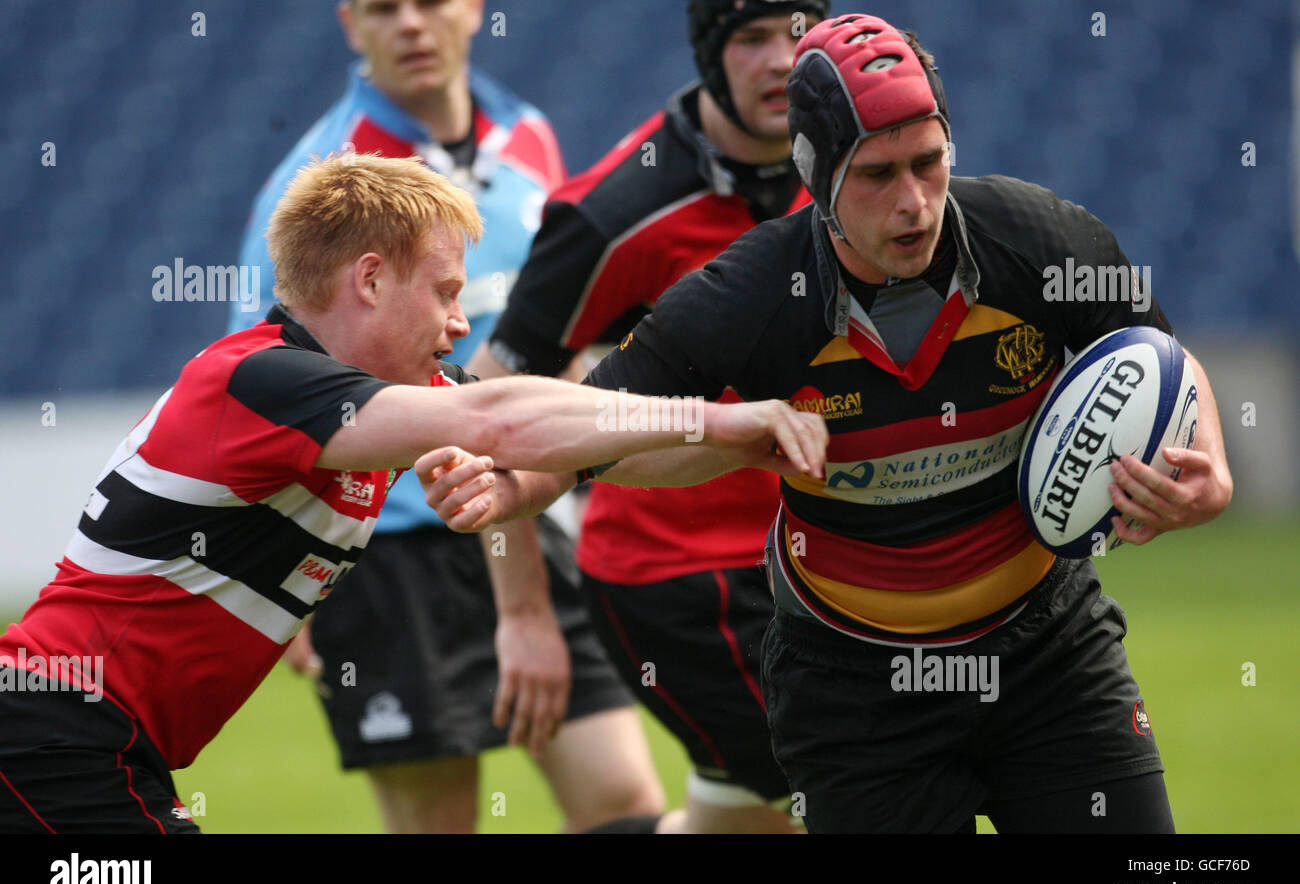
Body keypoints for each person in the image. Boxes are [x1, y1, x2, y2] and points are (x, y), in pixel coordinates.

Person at [426, 14, 1234, 834]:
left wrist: (1206, 459)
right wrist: (519, 483)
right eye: (878, 174)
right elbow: (606, 421)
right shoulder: (747, 292)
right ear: (815, 174)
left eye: (929, 161)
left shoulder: (1038, 239)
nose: (914, 202)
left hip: (1048, 656)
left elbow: (1159, 352)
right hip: (856, 695)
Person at [0, 154, 826, 833]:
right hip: (56, 726)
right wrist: (717, 420)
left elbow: (589, 448)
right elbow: (502, 413)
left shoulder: (383, 397)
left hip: (97, 739)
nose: (460, 321)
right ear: (369, 279)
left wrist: (753, 447)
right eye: (445, 290)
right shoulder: (258, 377)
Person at [227, 0, 663, 834]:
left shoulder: (529, 138)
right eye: (384, 9)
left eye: (430, 2)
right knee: (438, 824)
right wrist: (275, 571)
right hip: (385, 552)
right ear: (351, 24)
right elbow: (261, 379)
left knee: (624, 803)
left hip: (523, 521)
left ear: (474, 10)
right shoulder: (321, 185)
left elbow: (558, 332)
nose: (412, 26)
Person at [469, 0, 829, 834]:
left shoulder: (865, 169)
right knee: (846, 781)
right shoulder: (612, 212)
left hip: (819, 554)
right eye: (751, 39)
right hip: (680, 580)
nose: (782, 60)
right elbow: (486, 413)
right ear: (711, 52)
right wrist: (524, 617)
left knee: (748, 820)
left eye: (800, 32)